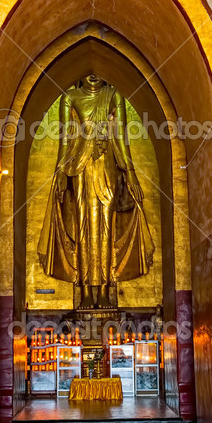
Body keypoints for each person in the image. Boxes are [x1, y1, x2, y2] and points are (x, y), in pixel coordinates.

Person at [38, 73, 154, 308]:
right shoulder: (69, 97)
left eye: (100, 72)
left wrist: (130, 172)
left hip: (107, 163)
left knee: (106, 225)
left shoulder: (114, 95)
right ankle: (84, 291)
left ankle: (104, 289)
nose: (93, 75)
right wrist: (60, 171)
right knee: (82, 224)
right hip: (79, 166)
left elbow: (120, 137)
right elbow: (65, 139)